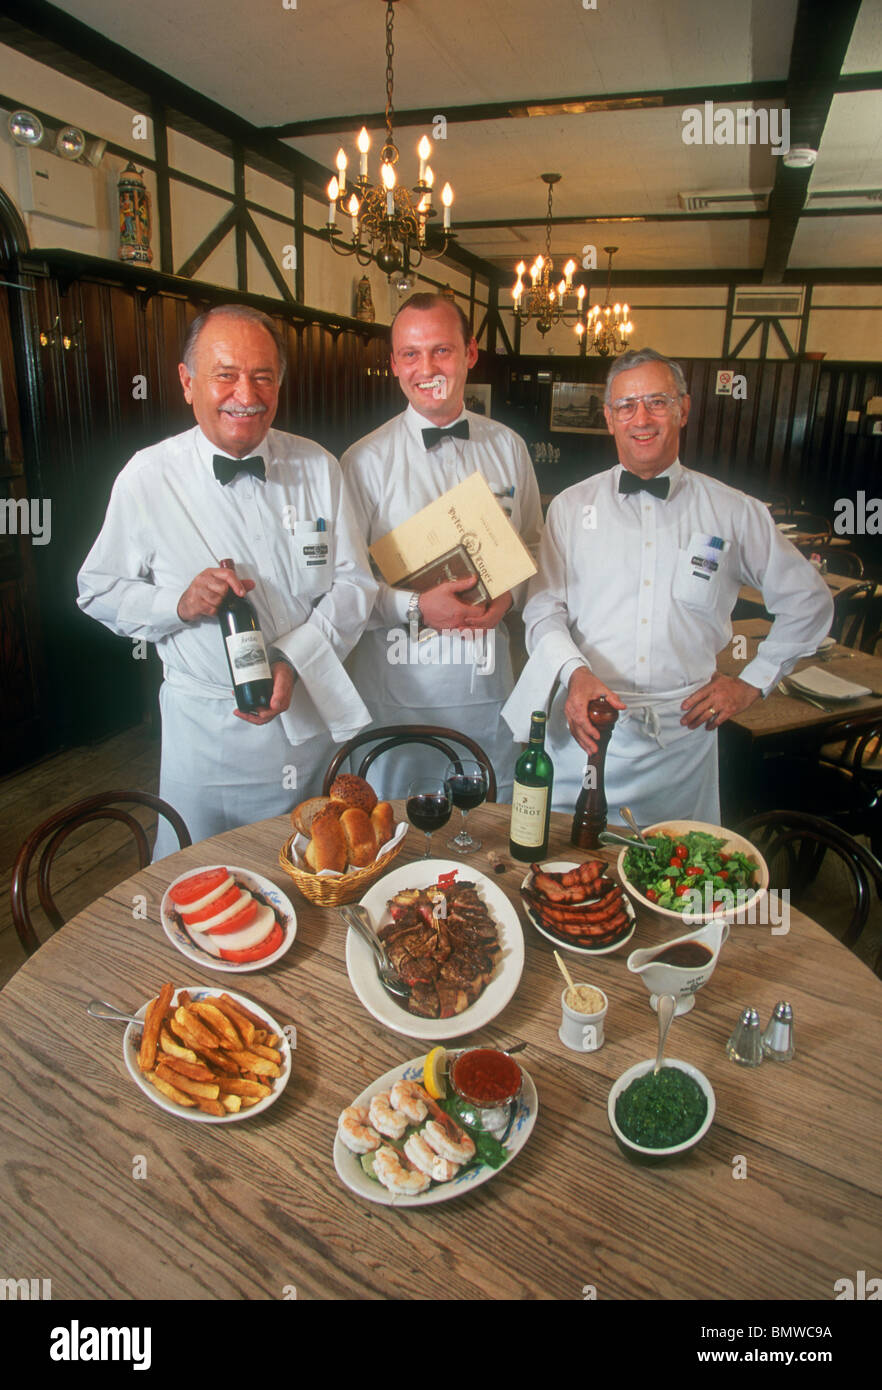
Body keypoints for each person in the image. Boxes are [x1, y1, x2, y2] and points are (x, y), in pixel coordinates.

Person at [78, 305, 376, 858]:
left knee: (311, 870)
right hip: (205, 737)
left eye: (263, 376)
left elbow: (355, 585)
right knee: (202, 879)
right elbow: (97, 589)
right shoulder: (148, 476)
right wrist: (178, 602)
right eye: (226, 375)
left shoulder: (318, 466)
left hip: (302, 719)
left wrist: (293, 658)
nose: (247, 392)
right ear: (187, 382)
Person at [504, 347, 833, 824]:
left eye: (657, 402)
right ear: (609, 418)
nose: (642, 418)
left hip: (680, 738)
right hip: (584, 727)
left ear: (683, 409)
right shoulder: (572, 509)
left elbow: (810, 603)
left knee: (672, 876)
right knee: (565, 871)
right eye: (626, 405)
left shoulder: (735, 511)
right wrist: (575, 673)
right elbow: (542, 611)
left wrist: (752, 684)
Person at [341, 293, 543, 799]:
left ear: (471, 353)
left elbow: (536, 548)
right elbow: (343, 587)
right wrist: (414, 606)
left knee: (482, 836)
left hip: (486, 687)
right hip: (397, 690)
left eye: (442, 351)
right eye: (410, 354)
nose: (426, 367)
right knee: (396, 840)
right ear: (393, 364)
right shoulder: (362, 461)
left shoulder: (509, 447)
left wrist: (511, 596)